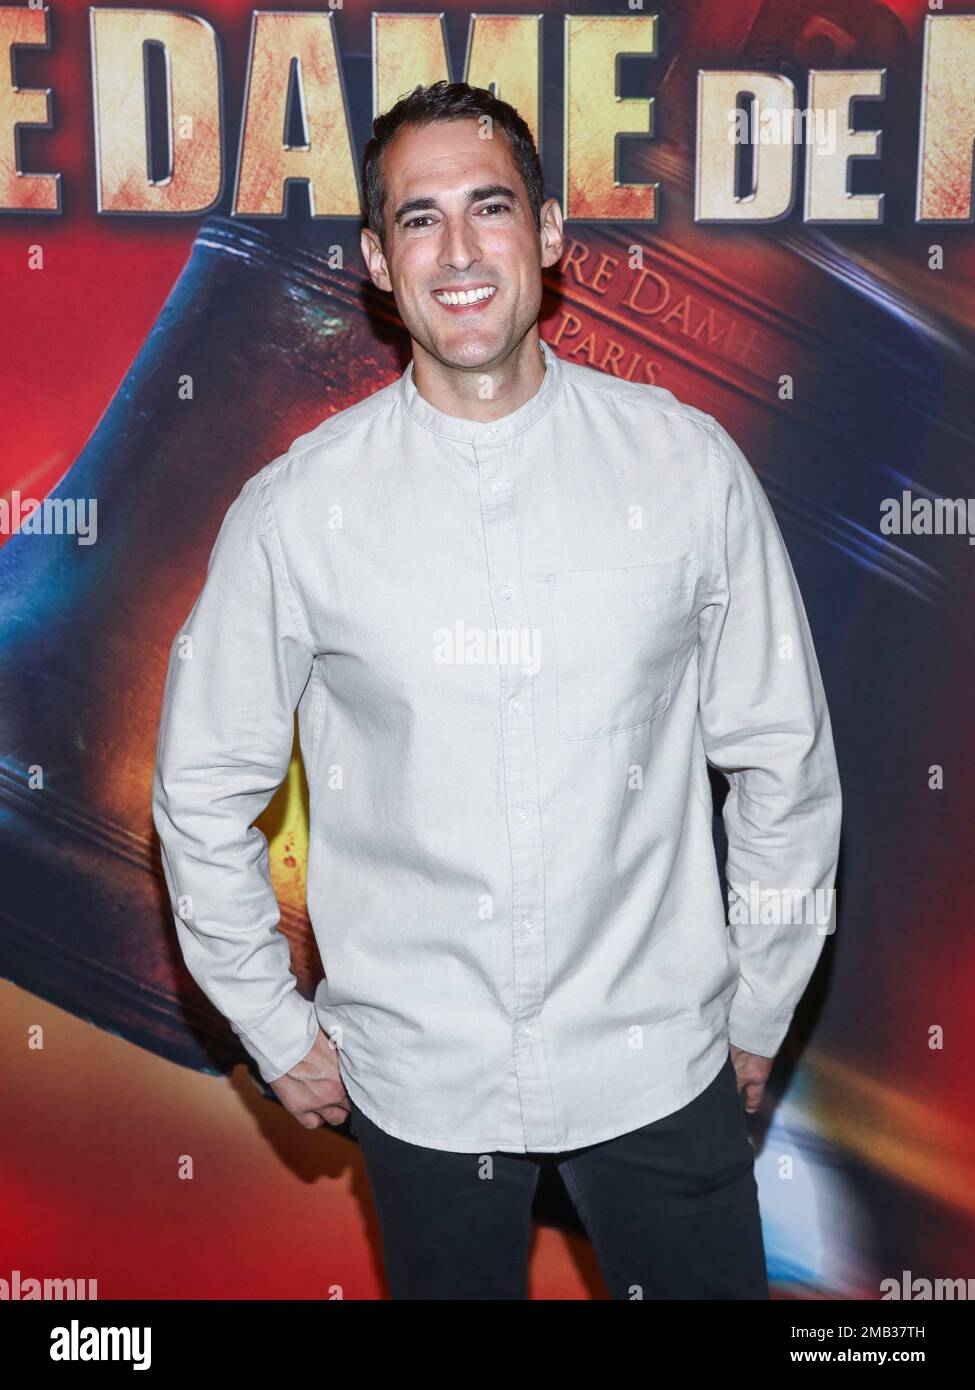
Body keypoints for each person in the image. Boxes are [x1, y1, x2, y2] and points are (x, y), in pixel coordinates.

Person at [151, 80, 842, 1300]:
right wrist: (272, 1025)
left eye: (490, 207)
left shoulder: (685, 471)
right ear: (375, 260)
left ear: (554, 233)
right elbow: (201, 791)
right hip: (424, 1089)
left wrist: (759, 1003)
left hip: (660, 1071)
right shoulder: (301, 512)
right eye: (419, 220)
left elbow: (782, 761)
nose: (460, 251)